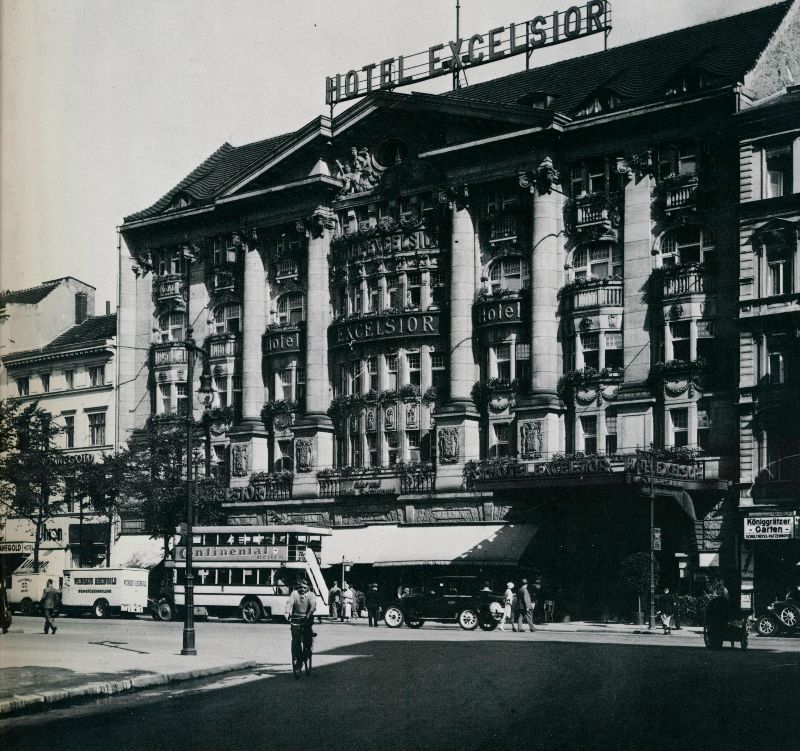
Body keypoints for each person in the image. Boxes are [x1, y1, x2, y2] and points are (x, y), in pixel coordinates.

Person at [284, 579, 317, 669]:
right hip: (295, 618)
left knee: (307, 638)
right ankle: (298, 660)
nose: (302, 589)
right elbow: (289, 602)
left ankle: (307, 652)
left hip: (307, 619)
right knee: (296, 640)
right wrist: (287, 611)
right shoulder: (294, 593)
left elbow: (313, 605)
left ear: (308, 588)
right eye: (301, 587)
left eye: (305, 588)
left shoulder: (311, 595)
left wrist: (309, 613)